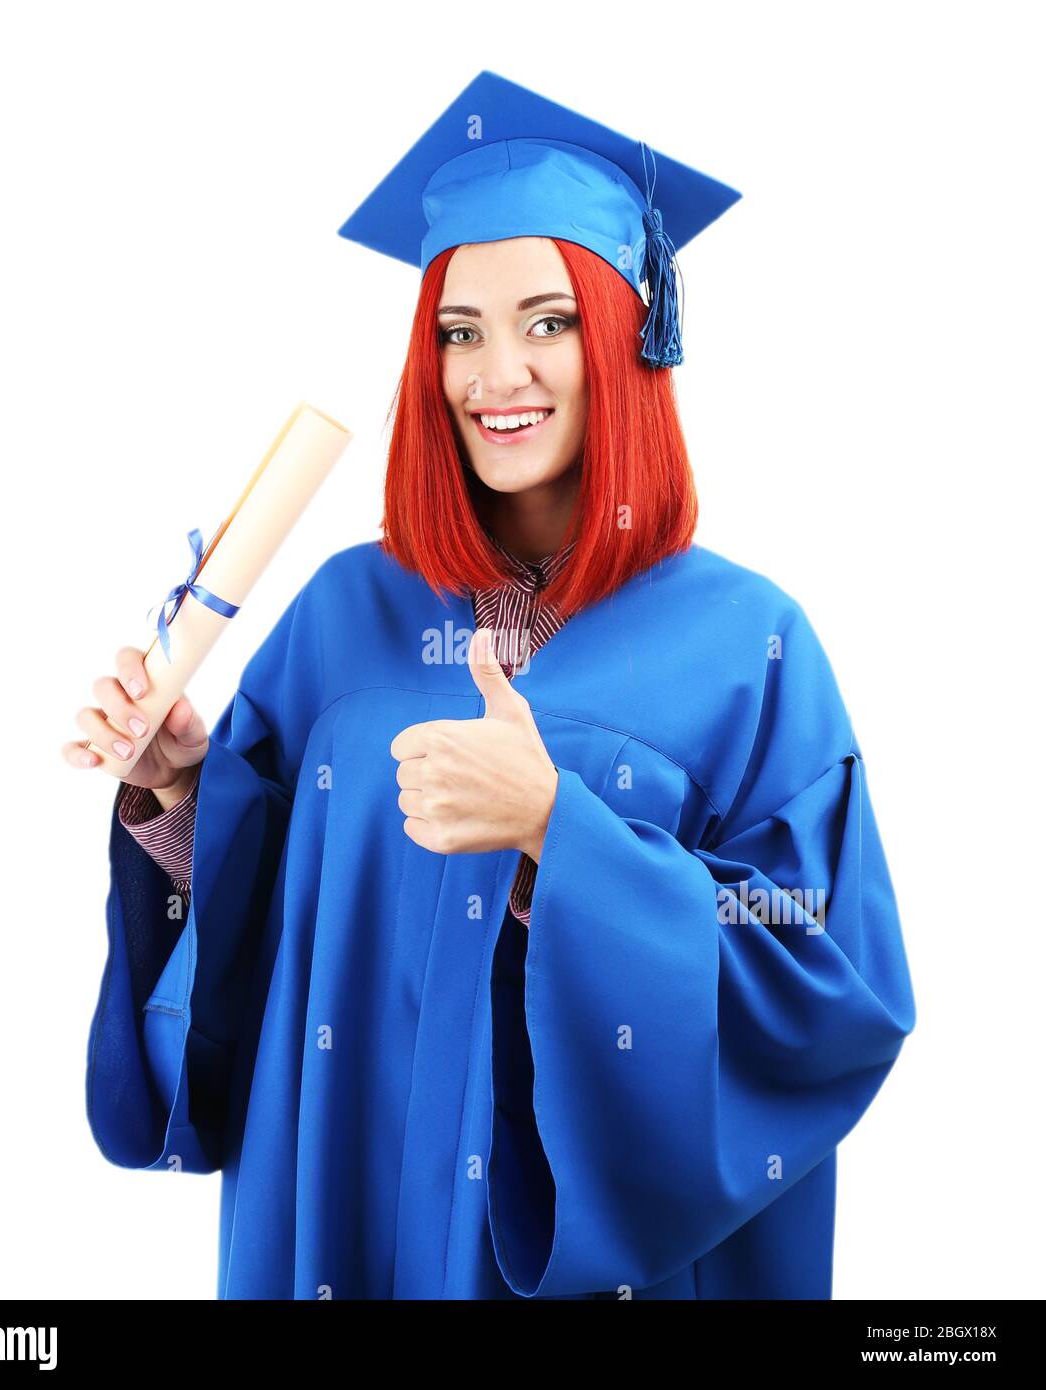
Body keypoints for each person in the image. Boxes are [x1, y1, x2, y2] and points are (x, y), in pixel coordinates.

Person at [63, 70, 916, 1300]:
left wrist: (564, 842)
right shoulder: (343, 617)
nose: (494, 372)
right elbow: (260, 949)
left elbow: (824, 974)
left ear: (632, 334)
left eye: (548, 320)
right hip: (341, 1243)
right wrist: (178, 797)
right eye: (459, 331)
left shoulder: (749, 646)